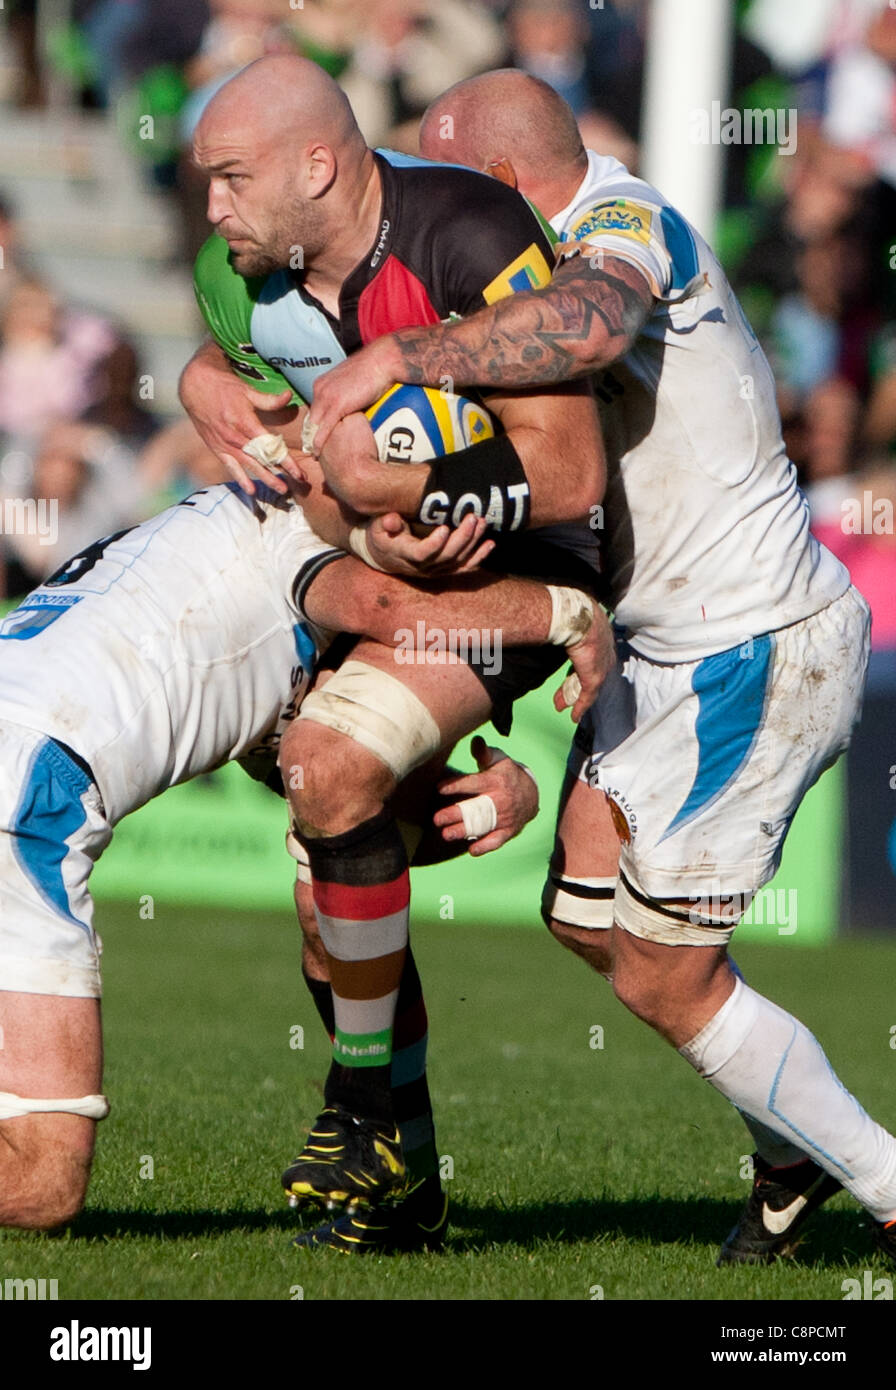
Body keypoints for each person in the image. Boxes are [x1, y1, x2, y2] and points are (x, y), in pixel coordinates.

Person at [300, 69, 896, 1268]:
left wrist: (417, 352)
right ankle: (789, 1149)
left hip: (750, 641)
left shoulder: (619, 222)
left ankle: (876, 1177)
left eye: (448, 194)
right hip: (660, 649)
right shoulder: (510, 274)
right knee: (584, 912)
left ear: (503, 183)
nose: (433, 225)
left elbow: (598, 317)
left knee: (663, 976)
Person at [178, 53, 616, 1231]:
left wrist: (414, 492)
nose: (211, 209)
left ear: (317, 166)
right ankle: (405, 1180)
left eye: (231, 179)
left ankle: (361, 1106)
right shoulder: (241, 284)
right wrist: (199, 385)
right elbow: (267, 412)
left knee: (327, 769)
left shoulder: (468, 231)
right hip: (378, 573)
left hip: (527, 568)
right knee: (329, 896)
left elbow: (572, 475)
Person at [0, 473, 599, 1233]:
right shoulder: (293, 533)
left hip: (19, 748)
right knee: (44, 1181)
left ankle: (407, 1186)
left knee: (327, 908)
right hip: (25, 792)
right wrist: (568, 614)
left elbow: (353, 841)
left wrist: (486, 799)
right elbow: (393, 609)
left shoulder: (208, 551)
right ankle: (385, 1146)